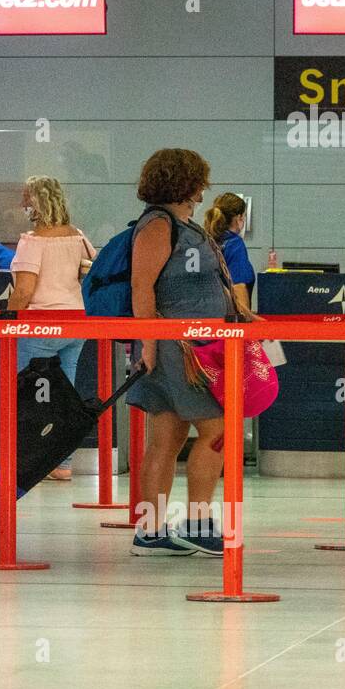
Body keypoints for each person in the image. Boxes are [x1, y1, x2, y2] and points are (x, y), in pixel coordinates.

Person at [126, 148, 232, 557]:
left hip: (186, 344)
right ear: (186, 181)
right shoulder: (159, 223)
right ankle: (200, 524)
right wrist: (149, 344)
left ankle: (150, 531)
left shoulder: (184, 224)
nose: (205, 187)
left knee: (167, 438)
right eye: (200, 179)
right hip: (178, 348)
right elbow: (142, 286)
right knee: (217, 432)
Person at [6, 176, 94, 481]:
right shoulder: (79, 237)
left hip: (40, 326)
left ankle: (28, 461)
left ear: (36, 203)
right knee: (64, 395)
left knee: (26, 396)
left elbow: (24, 292)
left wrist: (7, 321)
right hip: (75, 323)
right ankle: (63, 462)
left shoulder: (33, 241)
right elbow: (88, 277)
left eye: (25, 198)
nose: (21, 204)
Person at [204, 192, 256, 317]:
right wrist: (247, 319)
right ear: (239, 218)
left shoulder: (206, 241)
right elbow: (238, 286)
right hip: (229, 322)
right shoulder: (235, 244)